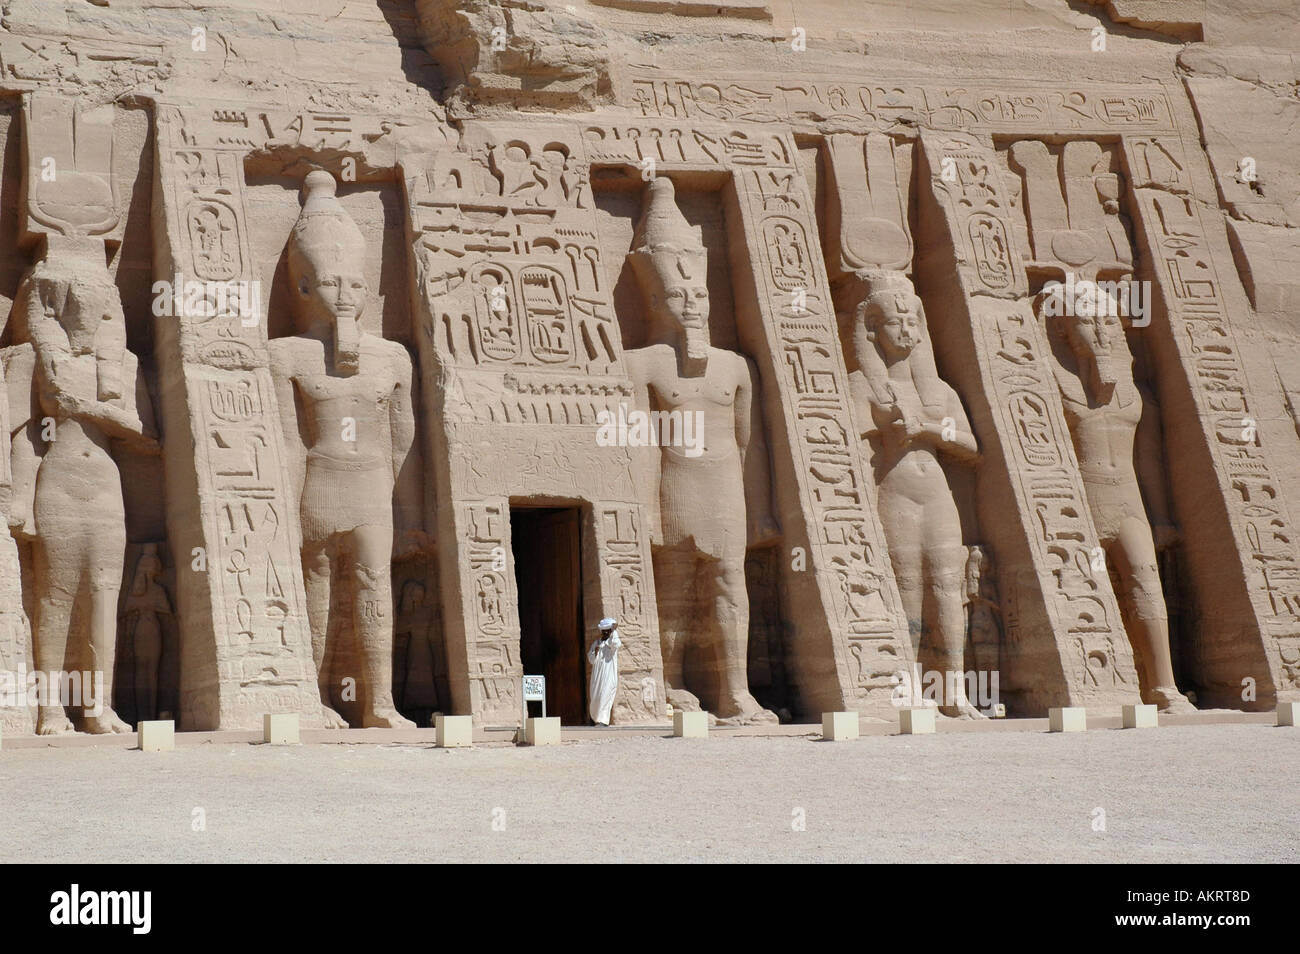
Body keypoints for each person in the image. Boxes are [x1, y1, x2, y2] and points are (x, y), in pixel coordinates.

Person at [586, 617, 622, 726]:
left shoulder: (612, 643)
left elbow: (616, 643)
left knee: (605, 695)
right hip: (597, 675)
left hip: (608, 674)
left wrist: (613, 630)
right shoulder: (596, 643)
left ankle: (603, 720)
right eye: (604, 631)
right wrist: (595, 653)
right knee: (595, 696)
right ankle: (594, 718)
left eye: (608, 631)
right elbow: (591, 660)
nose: (605, 633)